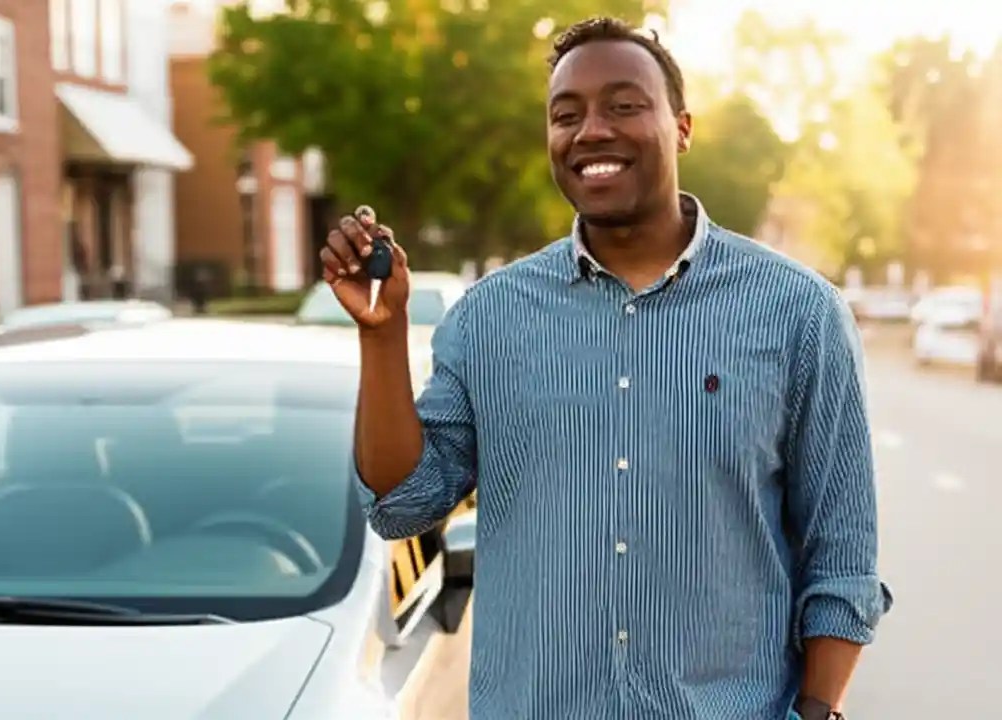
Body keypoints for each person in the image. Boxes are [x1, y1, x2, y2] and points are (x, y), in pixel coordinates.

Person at [318, 15, 893, 720]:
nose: (592, 130)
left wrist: (817, 710)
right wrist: (382, 335)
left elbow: (842, 553)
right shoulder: (489, 317)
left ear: (681, 126)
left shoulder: (799, 313)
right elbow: (402, 501)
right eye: (567, 115)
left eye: (624, 106)